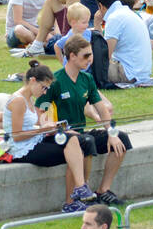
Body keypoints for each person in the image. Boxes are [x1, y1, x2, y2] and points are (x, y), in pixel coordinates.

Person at [36, 34, 131, 205]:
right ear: (72, 56)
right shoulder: (55, 81)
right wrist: (53, 127)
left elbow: (102, 109)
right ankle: (82, 194)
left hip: (80, 132)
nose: (90, 59)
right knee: (85, 142)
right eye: (85, 56)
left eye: (91, 55)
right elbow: (39, 110)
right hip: (61, 136)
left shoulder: (86, 79)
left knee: (121, 138)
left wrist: (111, 133)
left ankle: (103, 190)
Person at [5, 64, 97, 211]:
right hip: (22, 149)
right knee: (73, 151)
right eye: (44, 87)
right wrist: (42, 130)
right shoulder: (18, 101)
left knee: (76, 140)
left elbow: (33, 126)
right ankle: (74, 197)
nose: (45, 91)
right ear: (33, 81)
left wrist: (57, 129)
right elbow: (16, 136)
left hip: (35, 140)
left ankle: (77, 192)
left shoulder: (30, 100)